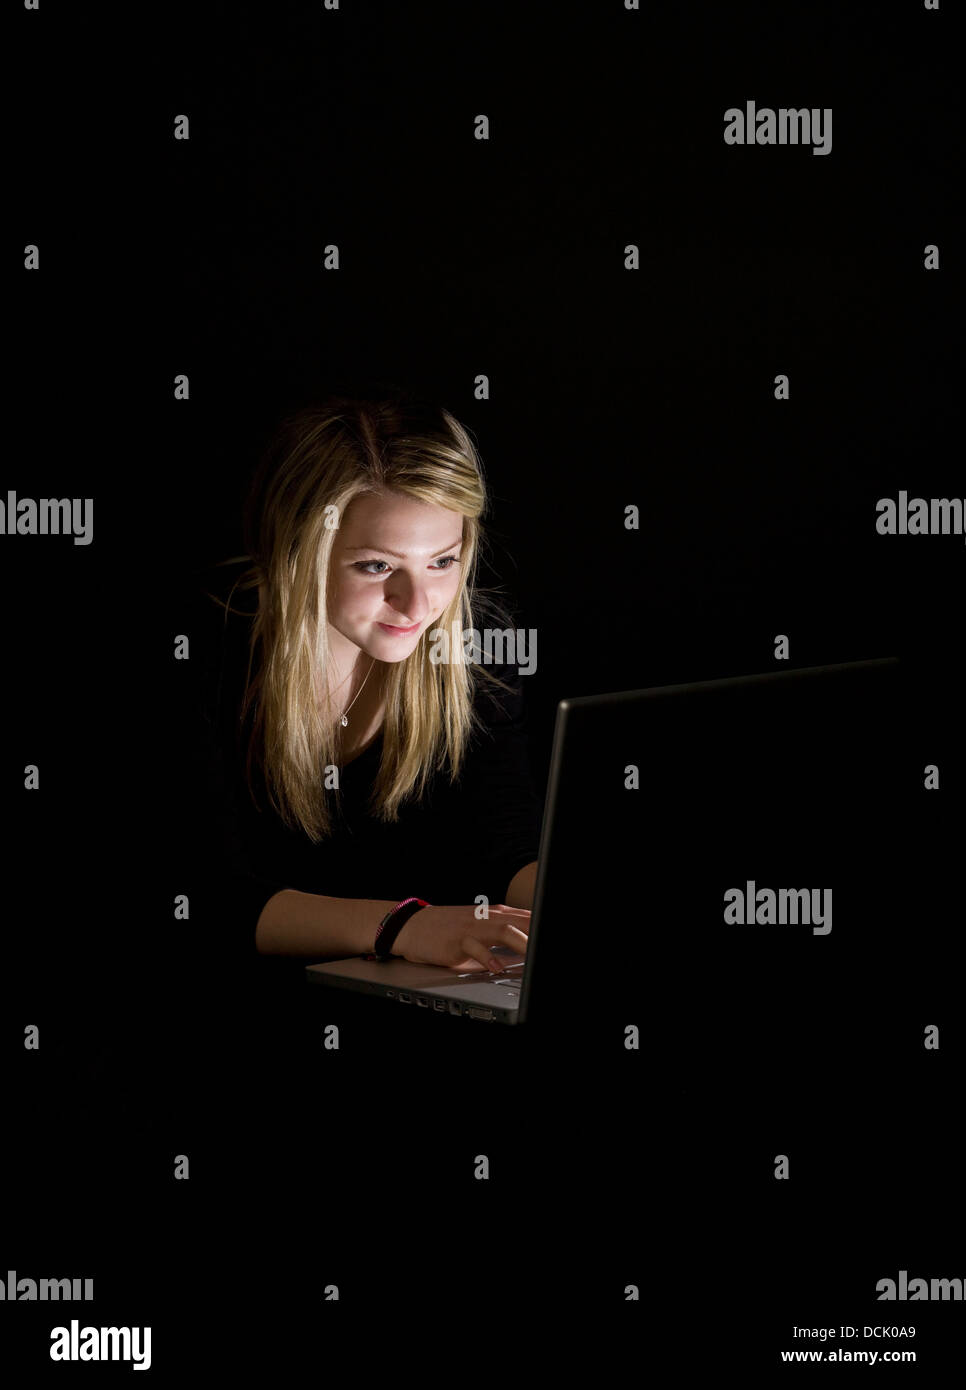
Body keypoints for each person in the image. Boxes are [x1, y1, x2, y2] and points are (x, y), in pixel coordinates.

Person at [197, 387, 543, 977]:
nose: (419, 603)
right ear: (300, 550)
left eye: (442, 560)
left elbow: (504, 839)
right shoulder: (215, 650)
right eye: (377, 565)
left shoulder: (473, 641)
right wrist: (405, 926)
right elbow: (205, 899)